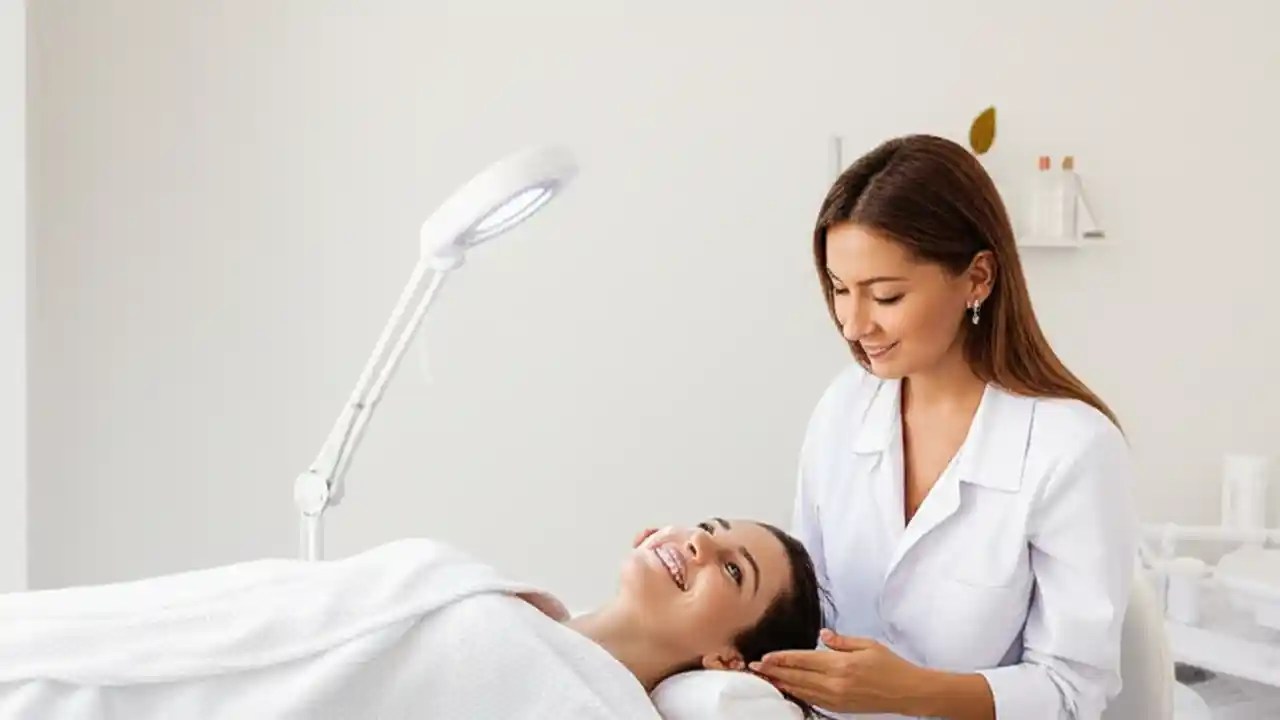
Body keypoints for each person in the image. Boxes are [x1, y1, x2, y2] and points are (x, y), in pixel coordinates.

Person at [750, 135, 1138, 720]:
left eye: (886, 295)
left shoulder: (1073, 449)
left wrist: (907, 691)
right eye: (838, 290)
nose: (854, 325)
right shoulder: (843, 407)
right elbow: (809, 603)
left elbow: (1072, 689)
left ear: (978, 278)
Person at [0, 518, 824, 719]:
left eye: (732, 570)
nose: (697, 545)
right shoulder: (523, 610)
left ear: (726, 661)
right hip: (152, 646)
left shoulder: (585, 705)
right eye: (707, 528)